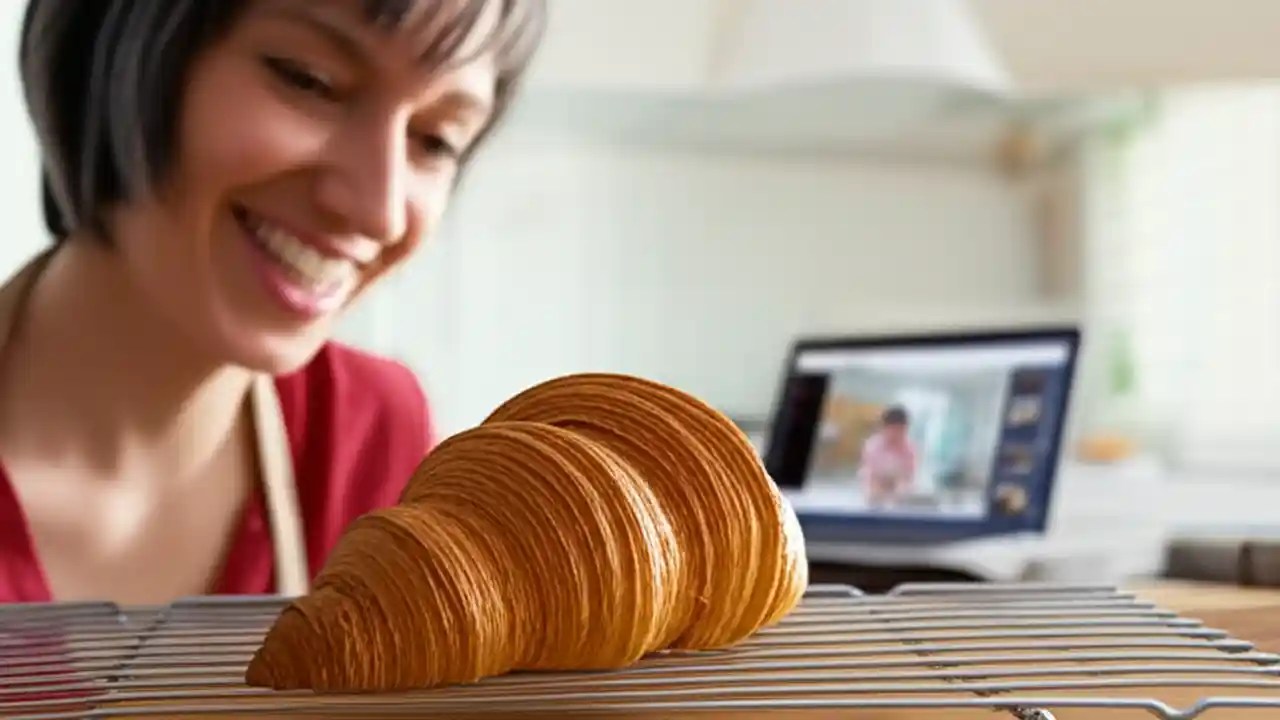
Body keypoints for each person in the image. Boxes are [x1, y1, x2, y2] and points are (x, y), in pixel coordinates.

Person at [0, 0, 545, 604]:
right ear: (118, 41)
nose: (378, 209)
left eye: (436, 141)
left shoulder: (371, 435)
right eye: (309, 79)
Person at [857, 405, 917, 507]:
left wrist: (900, 490)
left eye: (902, 430)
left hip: (899, 496)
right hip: (874, 494)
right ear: (885, 428)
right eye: (895, 429)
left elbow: (907, 477)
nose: (898, 434)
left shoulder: (910, 448)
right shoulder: (873, 446)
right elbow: (872, 477)